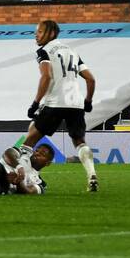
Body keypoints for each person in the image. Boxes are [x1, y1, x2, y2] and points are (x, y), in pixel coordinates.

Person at [16, 20, 98, 190]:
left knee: (30, 140)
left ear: (51, 33)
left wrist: (35, 102)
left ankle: (28, 177)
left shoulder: (44, 51)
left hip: (55, 103)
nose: (36, 35)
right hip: (76, 104)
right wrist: (88, 101)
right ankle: (91, 175)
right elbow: (91, 78)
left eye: (39, 32)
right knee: (80, 142)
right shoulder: (73, 51)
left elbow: (46, 77)